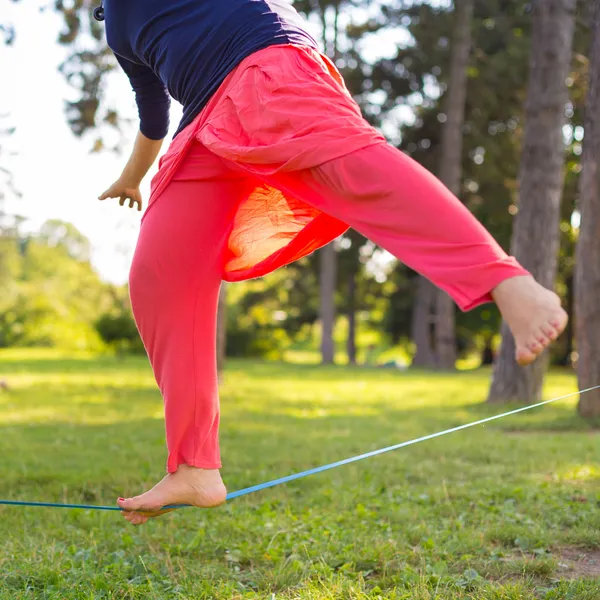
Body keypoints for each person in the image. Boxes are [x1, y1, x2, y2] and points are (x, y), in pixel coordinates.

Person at [95, 0, 567, 526]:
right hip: (202, 122)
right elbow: (152, 113)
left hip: (265, 64)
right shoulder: (117, 23)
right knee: (161, 271)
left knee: (355, 173)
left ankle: (508, 282)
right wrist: (132, 176)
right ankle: (194, 465)